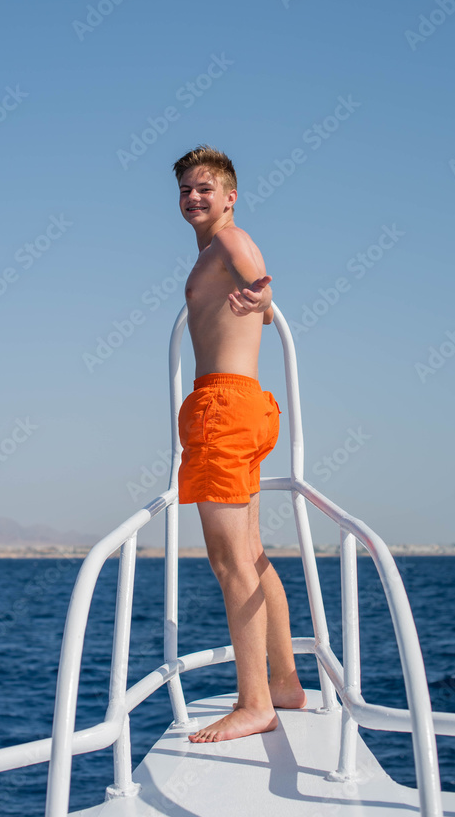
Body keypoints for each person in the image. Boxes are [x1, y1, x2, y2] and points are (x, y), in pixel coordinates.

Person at [172, 144, 306, 743]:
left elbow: (256, 273)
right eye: (185, 191)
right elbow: (256, 300)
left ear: (230, 196)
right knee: (250, 555)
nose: (194, 198)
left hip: (225, 406)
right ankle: (284, 683)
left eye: (205, 188)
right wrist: (262, 303)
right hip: (238, 403)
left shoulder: (229, 242)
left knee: (230, 564)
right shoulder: (210, 255)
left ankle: (256, 703)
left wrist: (264, 294)